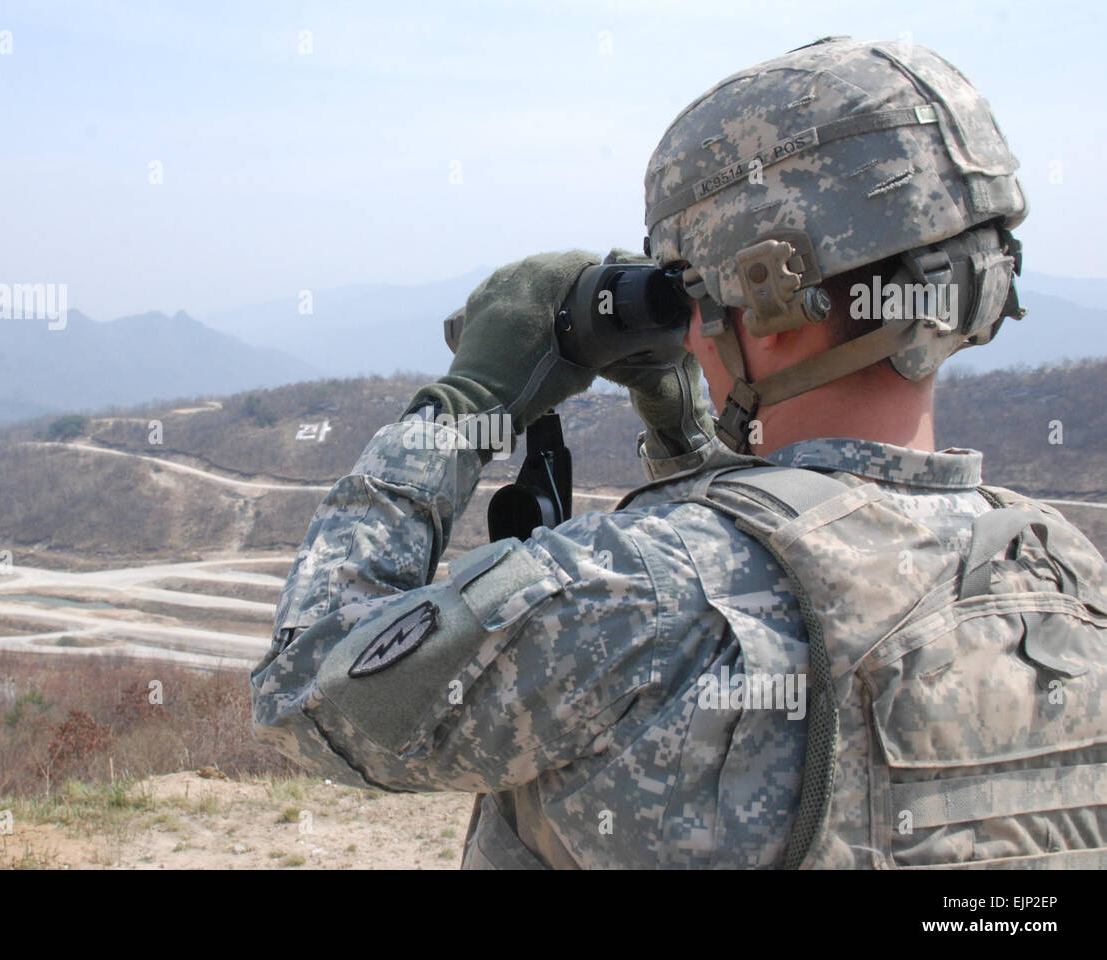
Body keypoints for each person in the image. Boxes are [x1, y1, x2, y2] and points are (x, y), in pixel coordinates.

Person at [251, 37, 1107, 869]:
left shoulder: (624, 596)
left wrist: (464, 408)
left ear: (772, 299)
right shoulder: (1066, 579)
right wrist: (686, 437)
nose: (691, 328)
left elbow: (306, 691)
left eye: (691, 289)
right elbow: (793, 540)